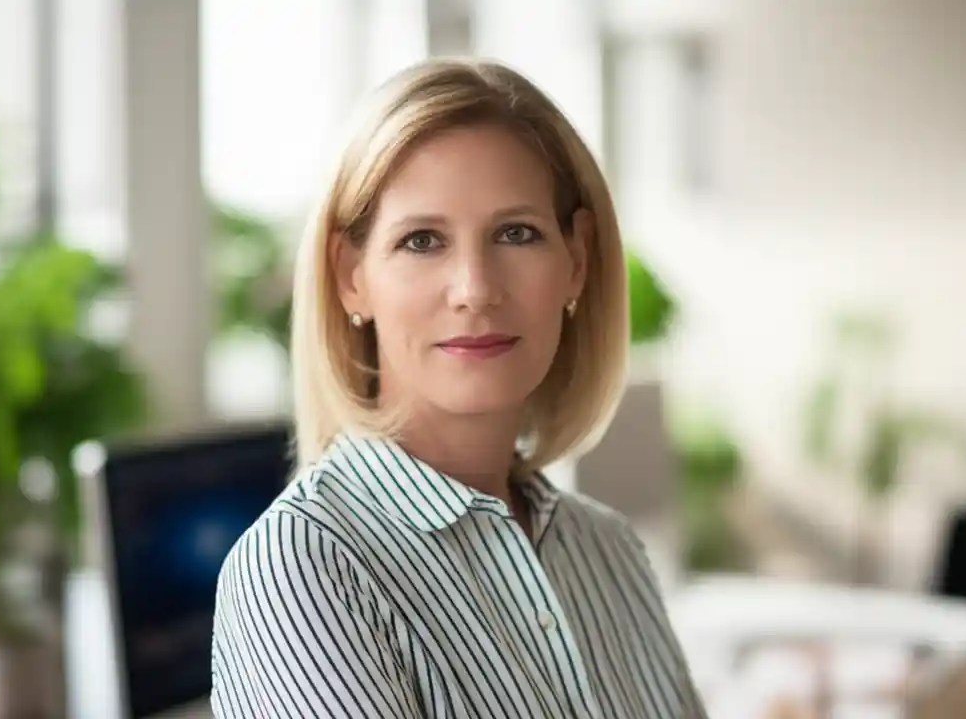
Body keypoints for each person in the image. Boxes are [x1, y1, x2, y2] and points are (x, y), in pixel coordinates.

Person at [210, 57, 709, 718]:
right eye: (422, 241)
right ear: (351, 275)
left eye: (516, 233)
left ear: (577, 261)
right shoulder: (305, 567)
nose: (475, 289)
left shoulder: (609, 551)